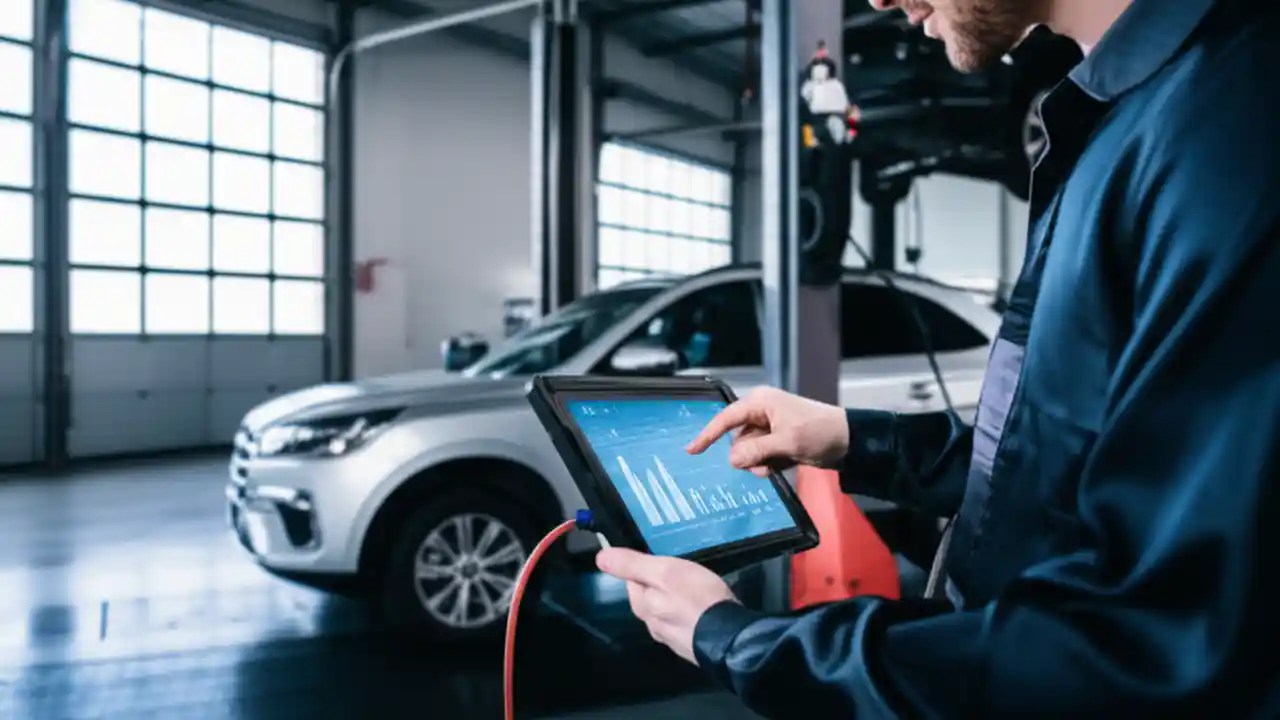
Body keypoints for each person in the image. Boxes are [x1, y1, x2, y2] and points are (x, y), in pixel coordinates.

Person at [595, 0, 1280, 716]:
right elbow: (1054, 469)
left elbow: (1157, 642)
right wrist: (853, 438)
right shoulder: (1123, 117)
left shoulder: (1235, 124)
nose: (878, 0)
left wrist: (743, 642)